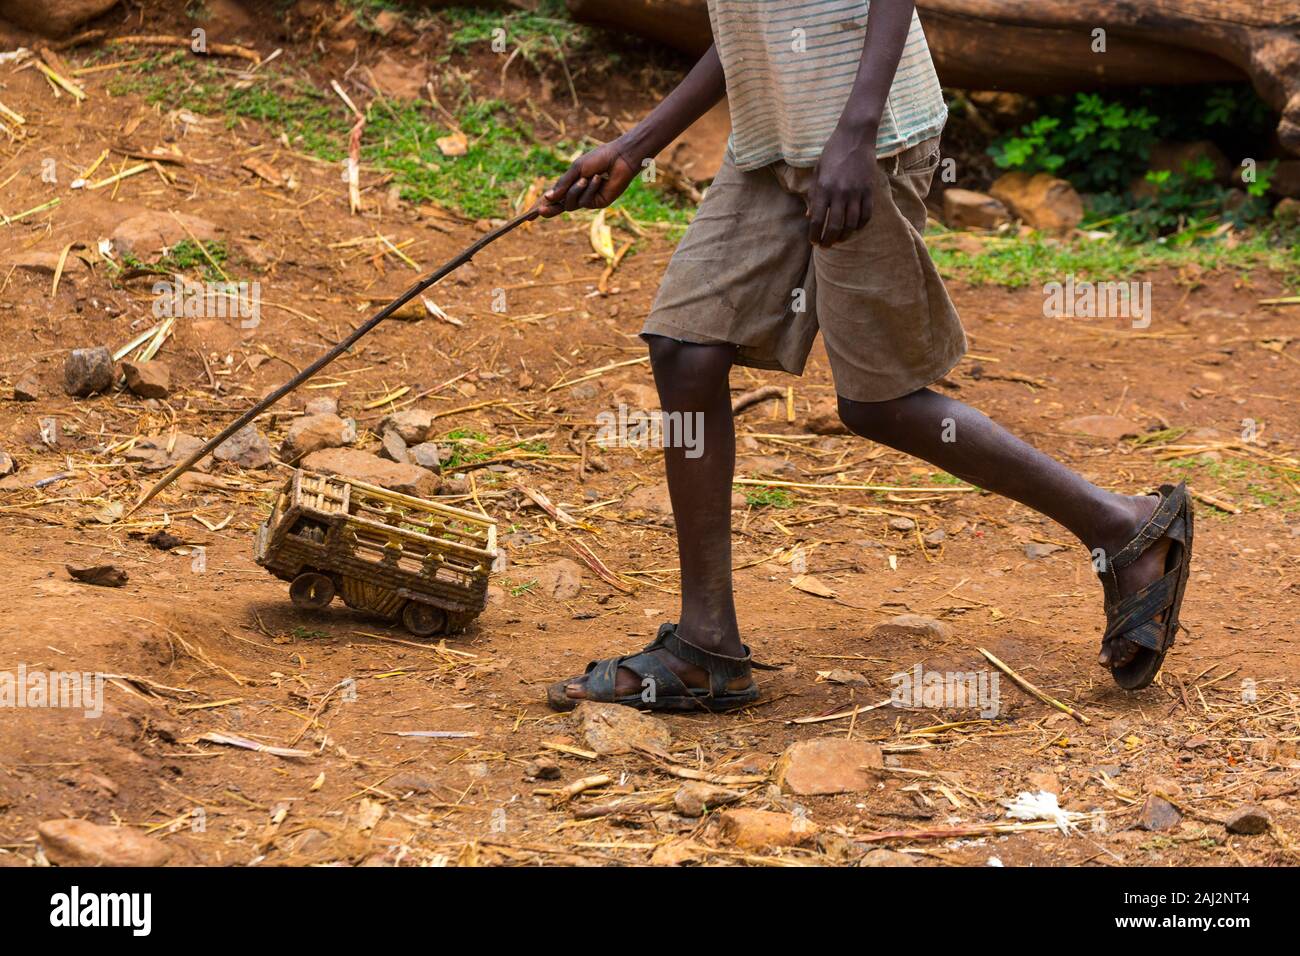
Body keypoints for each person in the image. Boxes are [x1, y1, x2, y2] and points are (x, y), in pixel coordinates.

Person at [538, 0, 1193, 712]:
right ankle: (706, 648)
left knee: (880, 404)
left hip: (866, 143)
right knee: (683, 348)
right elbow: (746, 26)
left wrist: (855, 132)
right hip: (771, 142)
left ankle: (1122, 525)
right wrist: (637, 145)